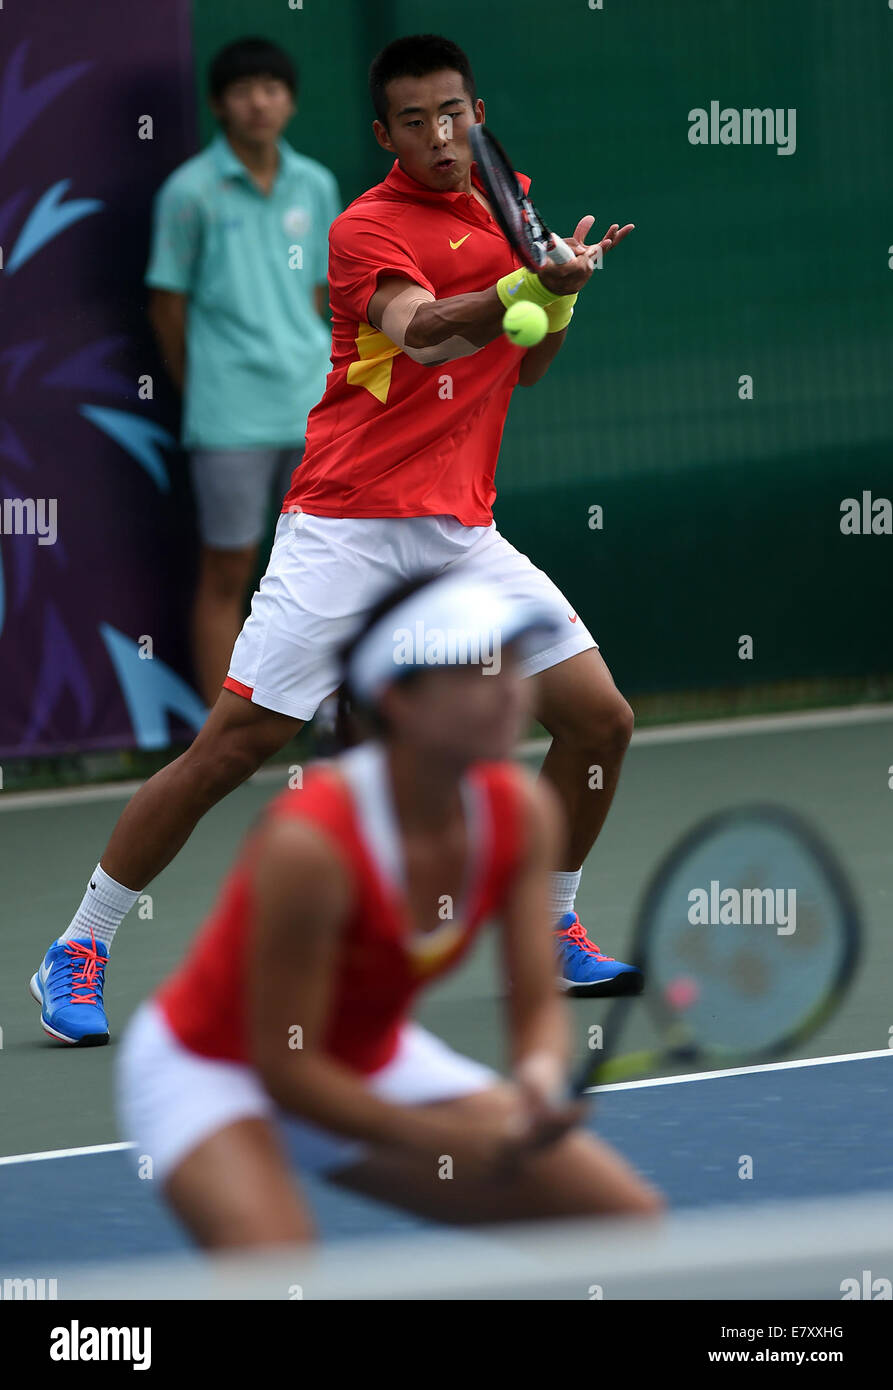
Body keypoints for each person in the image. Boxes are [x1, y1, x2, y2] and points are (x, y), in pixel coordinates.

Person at [32, 32, 639, 1048]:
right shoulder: (363, 227)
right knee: (234, 747)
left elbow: (522, 371)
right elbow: (426, 330)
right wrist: (520, 293)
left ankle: (547, 923)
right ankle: (80, 943)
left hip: (459, 532)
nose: (439, 136)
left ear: (476, 114)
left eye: (453, 113)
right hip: (345, 524)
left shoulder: (510, 204)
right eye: (414, 121)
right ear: (382, 134)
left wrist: (558, 296)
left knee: (599, 721)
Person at [116, 573, 662, 1248]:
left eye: (511, 664)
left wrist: (537, 1078)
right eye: (472, 669)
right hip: (218, 1071)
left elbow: (534, 1004)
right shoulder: (308, 846)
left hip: (366, 1060)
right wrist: (443, 1139)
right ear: (397, 700)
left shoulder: (522, 814)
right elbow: (284, 1067)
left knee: (623, 1221)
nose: (507, 688)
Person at [146, 36, 339, 705]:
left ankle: (324, 719)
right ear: (218, 104)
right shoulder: (188, 191)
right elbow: (167, 304)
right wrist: (201, 388)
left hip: (313, 405)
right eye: (243, 90)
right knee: (228, 571)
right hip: (228, 414)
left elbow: (318, 292)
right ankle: (219, 737)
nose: (259, 102)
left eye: (272, 88)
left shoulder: (314, 184)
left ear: (289, 100)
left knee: (322, 571)